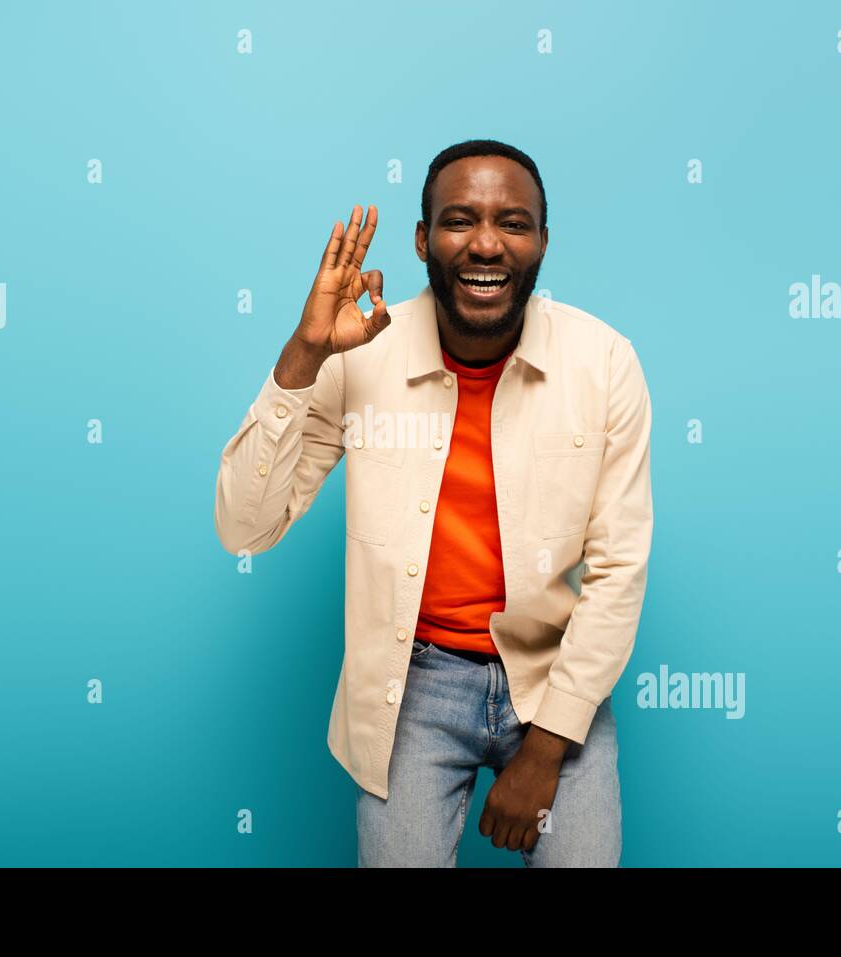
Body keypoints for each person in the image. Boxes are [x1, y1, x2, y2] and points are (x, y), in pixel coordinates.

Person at [214, 139, 653, 867]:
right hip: (410, 685)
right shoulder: (357, 353)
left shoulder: (604, 362)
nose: (486, 242)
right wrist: (304, 352)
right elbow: (244, 527)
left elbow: (620, 571)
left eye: (513, 222)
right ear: (423, 239)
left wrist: (546, 750)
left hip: (557, 677)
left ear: (543, 241)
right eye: (459, 220)